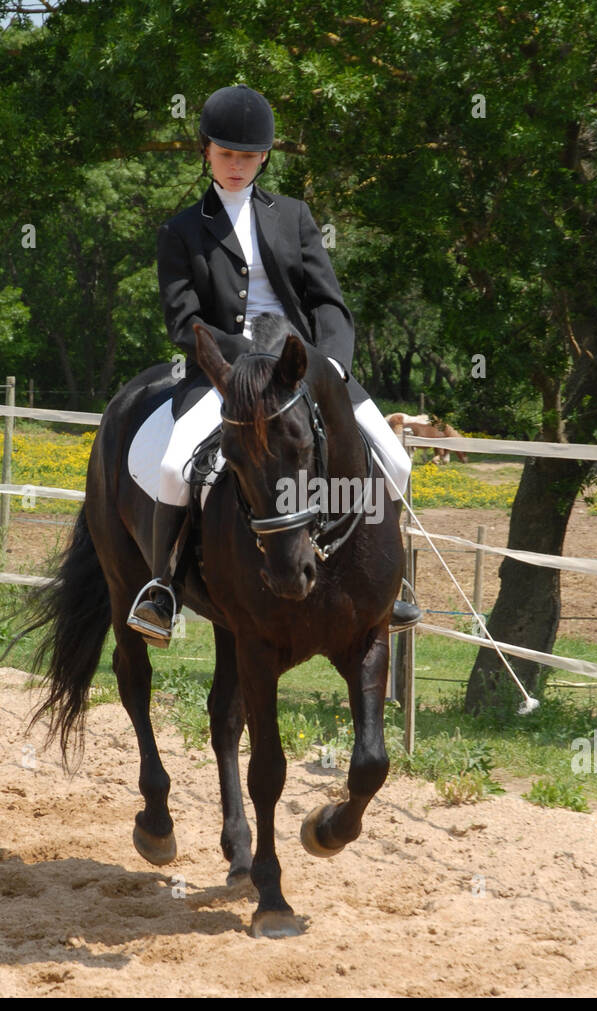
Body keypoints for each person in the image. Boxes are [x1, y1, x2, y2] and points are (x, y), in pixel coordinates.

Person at [127, 84, 420, 645]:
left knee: (397, 461)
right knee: (170, 467)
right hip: (225, 375)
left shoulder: (295, 216)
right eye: (226, 154)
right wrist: (239, 367)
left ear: (264, 157)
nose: (237, 166)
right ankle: (163, 588)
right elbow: (182, 319)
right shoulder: (181, 229)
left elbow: (328, 302)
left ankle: (393, 584)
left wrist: (329, 365)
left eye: (248, 155)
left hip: (303, 368)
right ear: (206, 151)